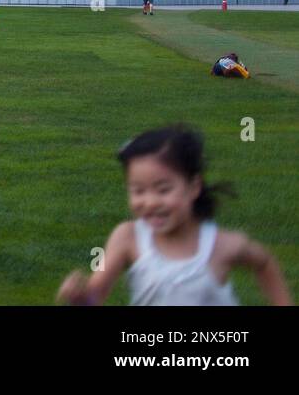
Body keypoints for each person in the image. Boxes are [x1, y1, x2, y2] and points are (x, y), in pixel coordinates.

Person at [56, 125, 291, 306]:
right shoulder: (128, 238)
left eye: (163, 189)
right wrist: (80, 296)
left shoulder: (222, 245)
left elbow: (264, 263)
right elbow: (95, 296)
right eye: (138, 190)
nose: (150, 202)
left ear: (193, 187)